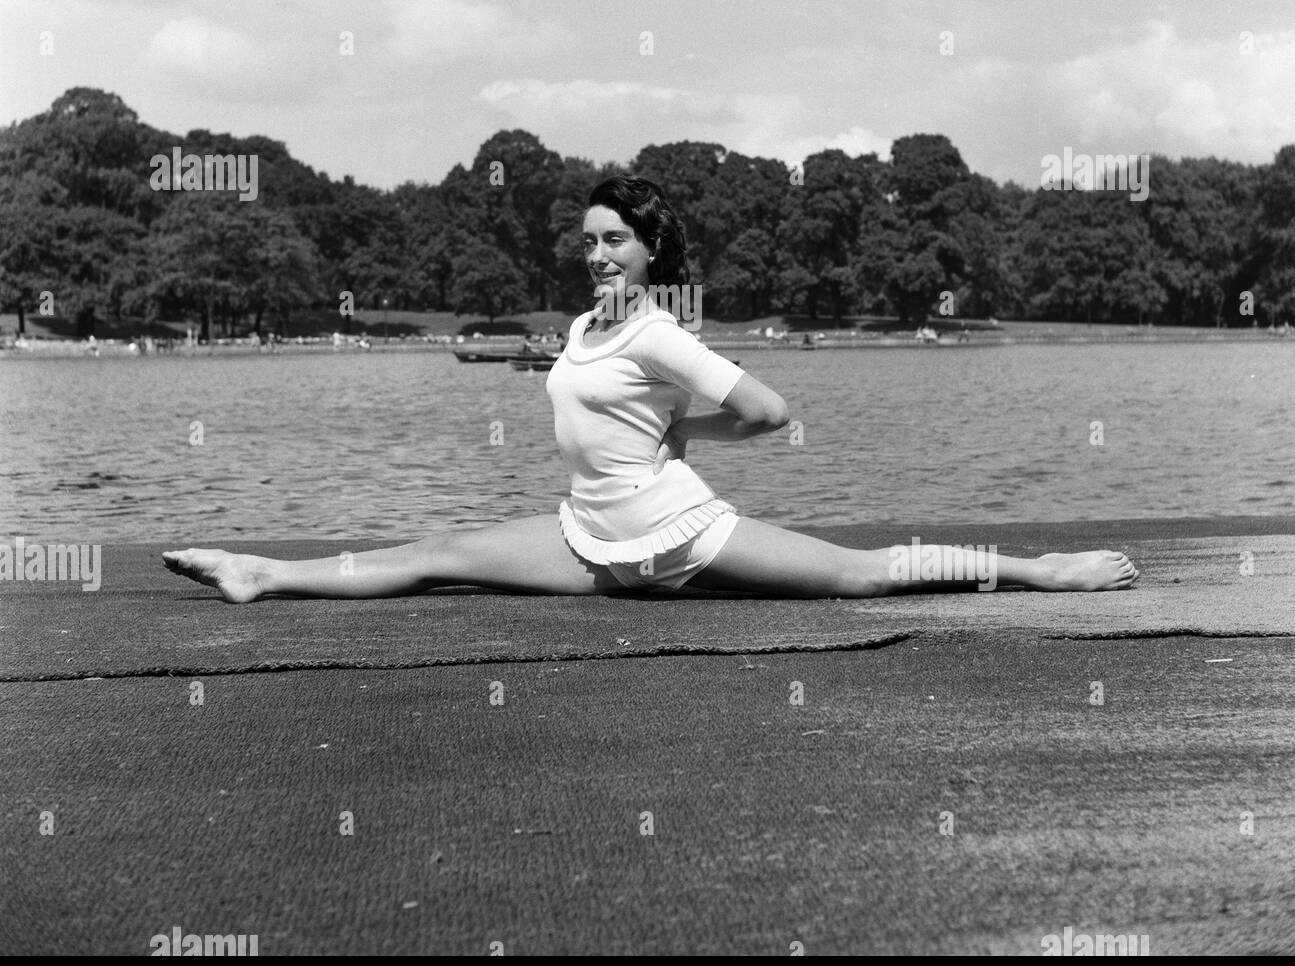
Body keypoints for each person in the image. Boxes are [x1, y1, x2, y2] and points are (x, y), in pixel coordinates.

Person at [163, 176, 1138, 603]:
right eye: (586, 237)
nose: (595, 252)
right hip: (591, 539)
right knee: (437, 552)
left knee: (861, 572)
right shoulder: (586, 328)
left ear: (648, 249)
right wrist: (660, 436)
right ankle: (262, 572)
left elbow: (767, 410)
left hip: (679, 537)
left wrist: (687, 447)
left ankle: (1042, 570)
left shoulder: (662, 330)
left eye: (614, 239)